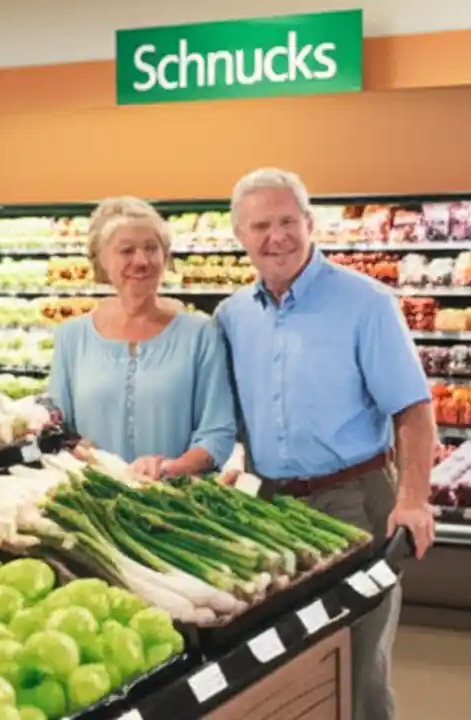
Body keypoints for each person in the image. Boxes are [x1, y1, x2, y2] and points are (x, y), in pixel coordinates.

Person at [214, 168, 437, 720]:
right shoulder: (231, 316)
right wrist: (233, 460)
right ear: (240, 235)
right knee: (284, 667)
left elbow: (413, 409)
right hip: (268, 508)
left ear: (310, 224)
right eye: (261, 225)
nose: (277, 237)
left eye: (288, 221)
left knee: (360, 662)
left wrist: (413, 498)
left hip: (354, 502)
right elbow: (236, 416)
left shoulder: (366, 303)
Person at [47, 196, 236, 479]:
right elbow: (56, 425)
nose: (142, 261)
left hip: (177, 507)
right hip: (95, 505)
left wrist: (171, 468)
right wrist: (72, 446)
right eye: (127, 250)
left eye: (152, 248)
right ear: (102, 260)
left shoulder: (200, 335)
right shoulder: (72, 337)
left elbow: (217, 432)